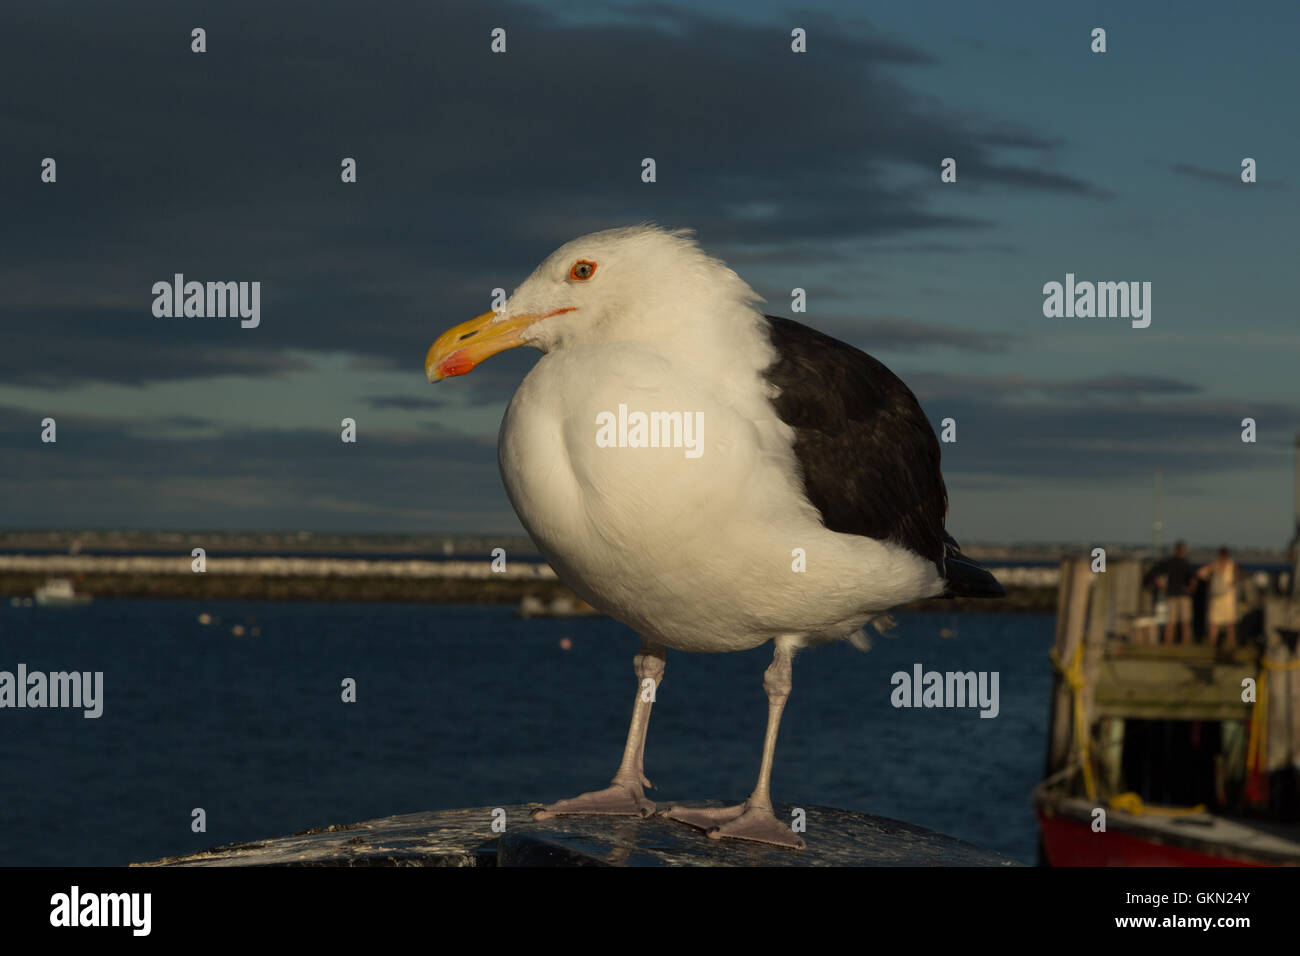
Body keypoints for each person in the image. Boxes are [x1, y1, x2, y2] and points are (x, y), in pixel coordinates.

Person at [1142, 541, 1196, 645]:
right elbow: (1193, 578)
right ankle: (1184, 643)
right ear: (1183, 550)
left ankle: (1168, 643)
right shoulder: (1185, 563)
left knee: (1171, 622)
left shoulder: (1169, 562)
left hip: (1172, 594)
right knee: (1184, 621)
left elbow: (1155, 575)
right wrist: (1190, 589)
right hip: (1182, 595)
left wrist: (1163, 588)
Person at [1198, 547, 1241, 650]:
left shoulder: (1214, 565)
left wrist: (1209, 580)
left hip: (1215, 598)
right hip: (1228, 598)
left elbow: (1200, 573)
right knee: (1230, 624)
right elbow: (1239, 576)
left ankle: (1212, 645)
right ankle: (1231, 645)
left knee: (1214, 624)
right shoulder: (1231, 565)